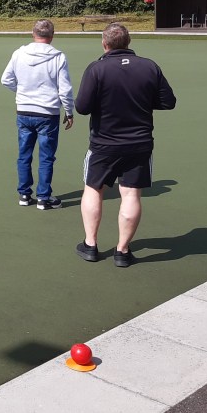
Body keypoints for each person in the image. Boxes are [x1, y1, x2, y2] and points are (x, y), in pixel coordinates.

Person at [74, 23, 176, 268]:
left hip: (103, 144)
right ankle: (122, 250)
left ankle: (90, 245)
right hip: (139, 144)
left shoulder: (96, 68)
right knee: (130, 194)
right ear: (128, 42)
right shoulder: (149, 66)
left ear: (104, 43)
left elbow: (82, 107)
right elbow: (168, 102)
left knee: (93, 189)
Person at [0, 19, 75, 210]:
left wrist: (22, 92)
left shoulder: (19, 53)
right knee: (46, 156)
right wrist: (69, 110)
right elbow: (64, 89)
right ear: (52, 36)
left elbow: (6, 79)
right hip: (48, 113)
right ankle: (44, 197)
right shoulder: (58, 57)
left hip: (24, 111)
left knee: (24, 154)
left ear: (33, 34)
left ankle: (24, 195)